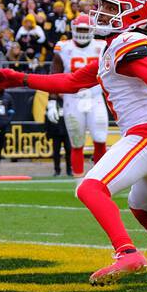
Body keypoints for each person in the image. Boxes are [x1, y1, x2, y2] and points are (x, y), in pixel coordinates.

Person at [0, 0, 147, 292]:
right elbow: (71, 81)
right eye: (103, 5)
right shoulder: (113, 48)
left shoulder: (128, 43)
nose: (101, 12)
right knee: (143, 210)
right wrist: (18, 77)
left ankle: (127, 252)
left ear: (133, 15)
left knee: (90, 188)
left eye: (111, 8)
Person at [51, 13, 108, 175]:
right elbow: (55, 74)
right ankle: (78, 180)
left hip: (95, 97)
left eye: (86, 29)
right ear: (73, 29)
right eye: (80, 29)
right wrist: (52, 100)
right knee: (76, 142)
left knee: (100, 138)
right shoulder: (63, 47)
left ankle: (100, 177)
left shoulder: (101, 46)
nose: (83, 32)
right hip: (72, 99)